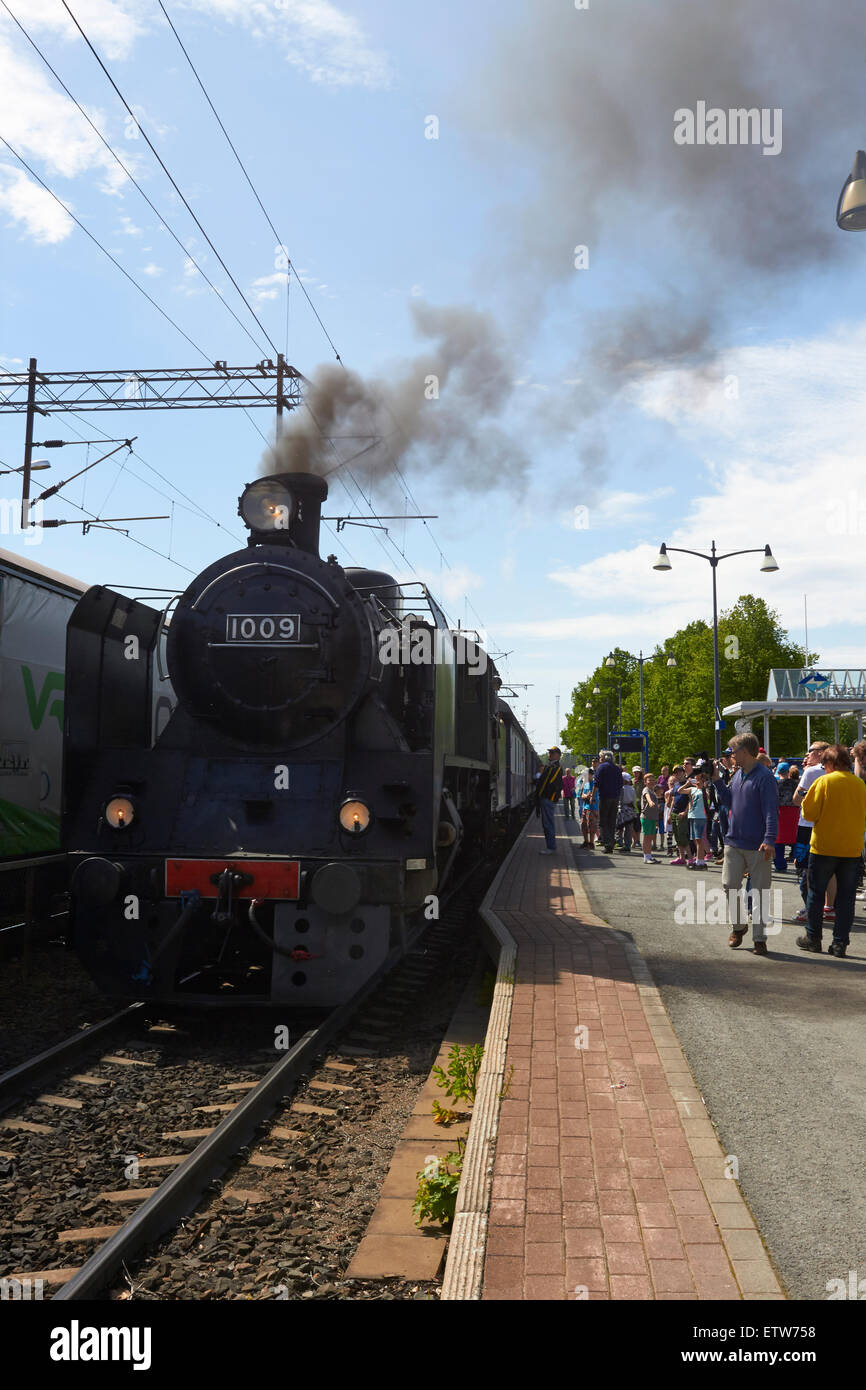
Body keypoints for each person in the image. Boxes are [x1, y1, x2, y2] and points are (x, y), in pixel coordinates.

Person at [797, 744, 866, 957]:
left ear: (829, 763)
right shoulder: (860, 785)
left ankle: (813, 938)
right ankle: (840, 943)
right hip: (852, 848)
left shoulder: (823, 782)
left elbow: (808, 814)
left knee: (816, 894)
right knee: (846, 899)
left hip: (824, 847)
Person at [712, 732, 778, 955]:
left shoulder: (765, 776)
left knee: (759, 892)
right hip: (734, 841)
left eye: (733, 751)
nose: (730, 755)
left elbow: (771, 811)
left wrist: (769, 840)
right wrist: (717, 781)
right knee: (729, 885)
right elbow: (729, 802)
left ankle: (760, 939)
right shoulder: (738, 775)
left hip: (758, 845)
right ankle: (739, 927)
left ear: (746, 751)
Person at [790, 742, 829, 924]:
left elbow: (797, 799)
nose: (807, 755)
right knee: (829, 870)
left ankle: (811, 909)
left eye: (810, 752)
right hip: (828, 825)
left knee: (806, 869)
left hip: (807, 825)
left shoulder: (812, 772)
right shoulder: (842, 772)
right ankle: (828, 907)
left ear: (820, 753)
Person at [535, 747, 563, 854]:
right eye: (549, 752)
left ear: (558, 755)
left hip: (548, 799)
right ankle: (550, 846)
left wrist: (543, 795)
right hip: (546, 798)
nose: (549, 754)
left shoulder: (556, 767)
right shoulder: (551, 766)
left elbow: (550, 784)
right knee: (546, 823)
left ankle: (551, 847)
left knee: (548, 824)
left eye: (552, 753)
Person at [594, 751, 623, 853]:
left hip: (604, 797)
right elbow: (621, 783)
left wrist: (592, 796)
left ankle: (608, 844)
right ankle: (611, 841)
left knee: (602, 821)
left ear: (604, 758)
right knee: (611, 821)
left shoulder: (601, 768)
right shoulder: (617, 768)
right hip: (615, 798)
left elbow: (596, 783)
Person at [773, 762, 797, 872]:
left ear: (778, 772)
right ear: (788, 772)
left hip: (780, 812)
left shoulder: (775, 784)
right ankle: (800, 864)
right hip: (793, 812)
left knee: (778, 840)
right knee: (795, 839)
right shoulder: (795, 784)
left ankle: (780, 865)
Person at [686, 768, 712, 868]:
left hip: (701, 816)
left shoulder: (704, 790)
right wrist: (687, 784)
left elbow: (708, 801)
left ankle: (700, 861)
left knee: (699, 839)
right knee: (695, 839)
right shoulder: (694, 789)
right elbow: (681, 791)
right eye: (695, 776)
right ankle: (698, 860)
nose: (695, 778)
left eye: (697, 776)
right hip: (693, 815)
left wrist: (701, 788)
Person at [640, 772, 661, 863]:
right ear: (645, 782)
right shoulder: (646, 789)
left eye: (653, 780)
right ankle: (646, 857)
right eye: (649, 780)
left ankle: (649, 855)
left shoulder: (652, 791)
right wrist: (650, 802)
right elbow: (647, 796)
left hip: (652, 817)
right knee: (647, 837)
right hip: (646, 817)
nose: (652, 782)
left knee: (650, 837)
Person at [617, 772, 638, 854]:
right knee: (628, 829)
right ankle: (627, 845)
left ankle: (620, 842)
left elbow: (620, 800)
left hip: (622, 809)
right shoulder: (632, 789)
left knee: (619, 827)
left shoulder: (621, 789)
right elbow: (633, 800)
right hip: (630, 810)